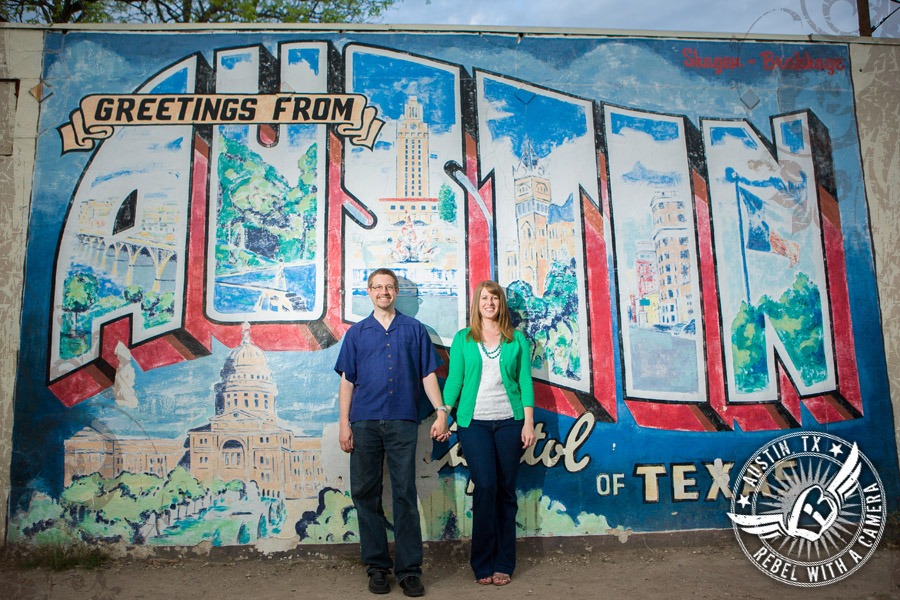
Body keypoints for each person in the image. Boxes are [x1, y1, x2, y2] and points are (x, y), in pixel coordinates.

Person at [335, 268, 445, 597]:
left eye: (389, 287)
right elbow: (347, 382)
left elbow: (428, 375)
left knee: (403, 495)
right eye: (377, 287)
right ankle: (377, 567)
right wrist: (344, 424)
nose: (384, 292)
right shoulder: (356, 333)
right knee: (366, 495)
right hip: (364, 423)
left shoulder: (414, 330)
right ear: (368, 292)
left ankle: (409, 570)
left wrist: (441, 410)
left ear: (396, 292)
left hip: (402, 422)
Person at [431, 280, 535, 586]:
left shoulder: (516, 340)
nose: (490, 303)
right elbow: (455, 381)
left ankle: (504, 562)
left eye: (495, 298)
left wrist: (528, 422)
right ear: (477, 303)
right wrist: (443, 415)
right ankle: (482, 561)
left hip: (510, 422)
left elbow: (526, 383)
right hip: (473, 424)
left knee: (505, 490)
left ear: (502, 304)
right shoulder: (464, 339)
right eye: (485, 298)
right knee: (486, 486)